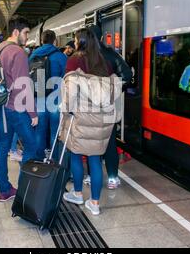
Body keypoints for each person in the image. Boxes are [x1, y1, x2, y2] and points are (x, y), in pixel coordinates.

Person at [62, 27, 115, 216]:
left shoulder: (74, 60)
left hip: (82, 118)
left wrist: (65, 109)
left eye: (76, 40)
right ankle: (94, 203)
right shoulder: (105, 62)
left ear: (81, 41)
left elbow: (69, 92)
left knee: (76, 155)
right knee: (95, 159)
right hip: (101, 120)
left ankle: (77, 193)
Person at [0, 16, 38, 202]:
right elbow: (23, 85)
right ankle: (23, 190)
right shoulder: (18, 52)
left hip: (2, 106)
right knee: (32, 146)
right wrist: (33, 113)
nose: (27, 36)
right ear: (16, 32)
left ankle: (4, 190)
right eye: (26, 32)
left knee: (3, 145)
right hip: (16, 109)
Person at [88, 24, 132, 189]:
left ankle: (92, 176)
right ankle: (112, 178)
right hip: (107, 105)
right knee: (110, 142)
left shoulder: (82, 56)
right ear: (100, 37)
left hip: (89, 107)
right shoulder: (111, 54)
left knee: (92, 142)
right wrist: (114, 87)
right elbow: (127, 75)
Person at [28, 29, 67, 159]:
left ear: (41, 41)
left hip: (38, 96)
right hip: (55, 97)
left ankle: (39, 158)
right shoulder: (61, 56)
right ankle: (54, 159)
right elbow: (65, 77)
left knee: (39, 130)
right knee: (55, 131)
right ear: (54, 40)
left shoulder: (33, 55)